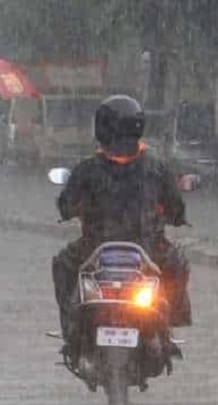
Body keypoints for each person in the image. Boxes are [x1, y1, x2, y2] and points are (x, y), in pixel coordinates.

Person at [51, 94, 192, 360]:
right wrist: (174, 217)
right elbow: (176, 209)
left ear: (100, 129)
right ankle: (169, 327)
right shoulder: (156, 168)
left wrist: (73, 210)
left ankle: (70, 328)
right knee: (179, 265)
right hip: (150, 249)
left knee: (62, 265)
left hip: (94, 249)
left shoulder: (87, 169)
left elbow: (66, 206)